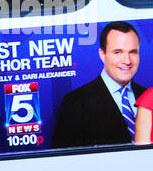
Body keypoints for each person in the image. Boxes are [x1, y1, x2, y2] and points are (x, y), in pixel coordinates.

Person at [51, 21, 145, 149]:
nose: (127, 61)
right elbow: (65, 160)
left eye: (133, 52)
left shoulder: (148, 95)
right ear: (102, 54)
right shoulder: (75, 102)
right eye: (117, 52)